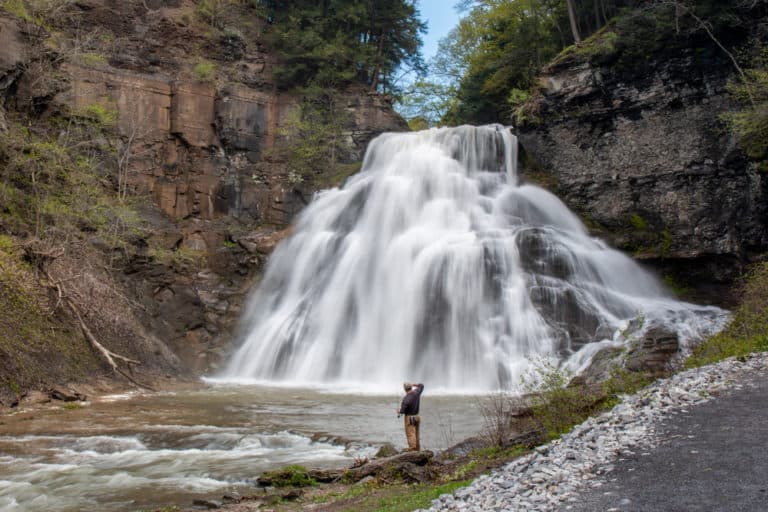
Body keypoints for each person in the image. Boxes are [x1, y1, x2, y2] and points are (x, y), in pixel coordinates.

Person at [397, 382, 424, 451]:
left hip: (409, 418)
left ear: (405, 389)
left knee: (410, 434)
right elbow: (421, 385)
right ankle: (418, 450)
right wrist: (415, 384)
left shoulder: (406, 399)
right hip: (417, 417)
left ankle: (412, 450)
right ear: (411, 387)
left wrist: (398, 411)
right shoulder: (417, 392)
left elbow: (402, 412)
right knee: (416, 434)